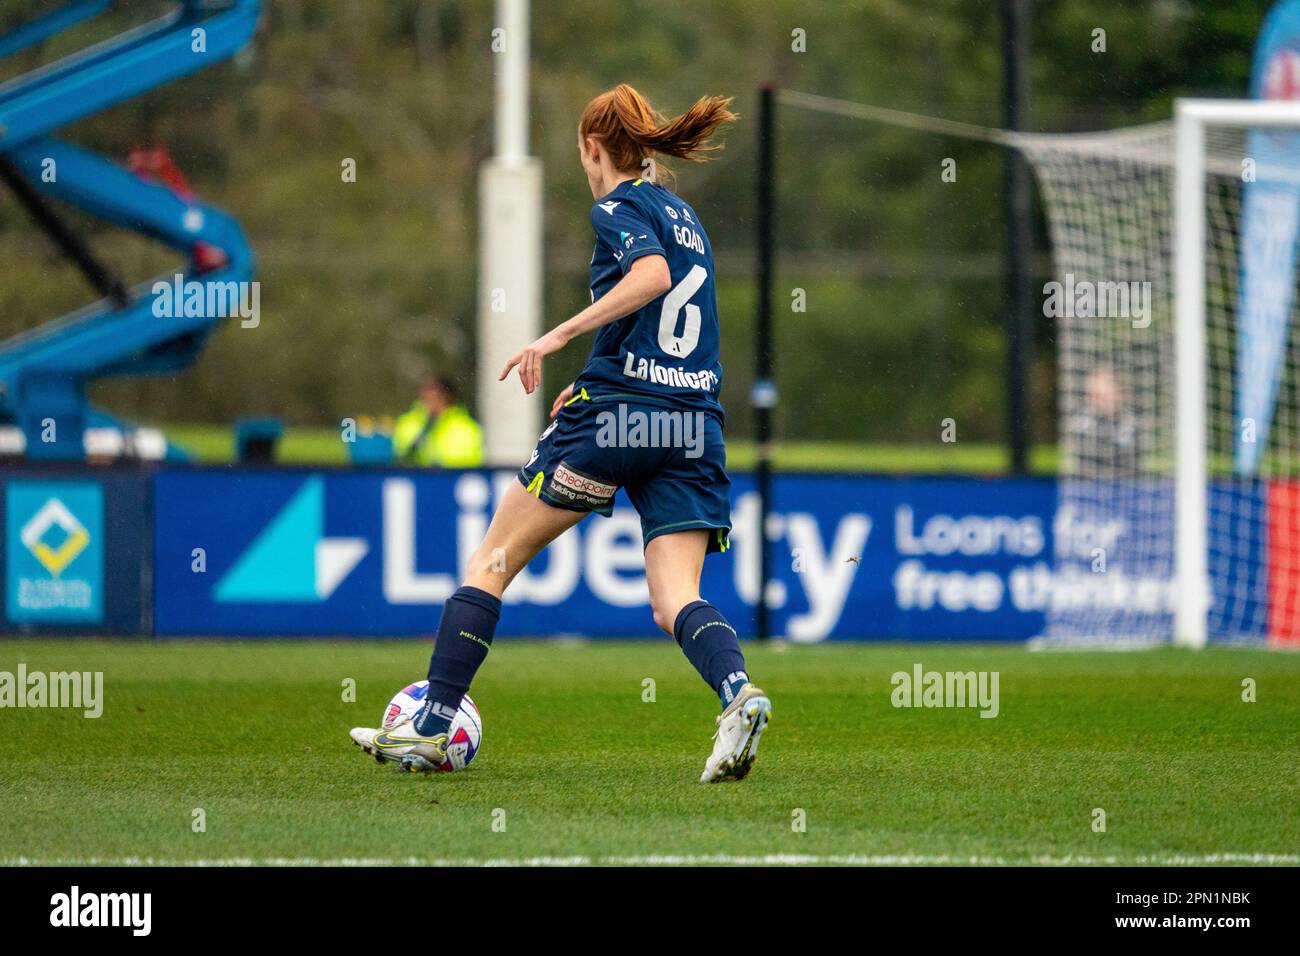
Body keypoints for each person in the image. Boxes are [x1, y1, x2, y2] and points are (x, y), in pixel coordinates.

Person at [351, 84, 771, 783]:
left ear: (591, 147)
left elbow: (649, 278)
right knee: (676, 601)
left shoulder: (617, 205)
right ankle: (738, 693)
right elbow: (661, 323)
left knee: (491, 561)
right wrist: (591, 373)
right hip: (693, 424)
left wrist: (554, 339)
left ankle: (431, 726)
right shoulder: (686, 215)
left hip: (619, 422)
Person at [391, 376, 484, 468]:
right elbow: (399, 456)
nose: (430, 401)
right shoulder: (408, 423)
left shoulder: (466, 427)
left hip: (449, 480)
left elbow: (471, 461)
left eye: (435, 395)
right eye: (426, 395)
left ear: (447, 397)